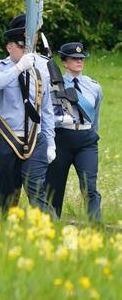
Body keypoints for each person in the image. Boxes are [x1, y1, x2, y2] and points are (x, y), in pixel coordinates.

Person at [0, 22, 55, 214]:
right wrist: (17, 69)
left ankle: (49, 230)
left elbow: (46, 108)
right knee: (7, 191)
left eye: (28, 47)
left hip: (35, 137)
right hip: (6, 137)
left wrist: (50, 142)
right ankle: (3, 229)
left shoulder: (40, 69)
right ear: (10, 47)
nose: (25, 51)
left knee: (36, 188)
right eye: (21, 46)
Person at [46, 41, 102, 222]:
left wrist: (92, 135)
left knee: (90, 187)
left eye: (81, 58)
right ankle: (50, 224)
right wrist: (59, 121)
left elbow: (95, 117)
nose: (79, 61)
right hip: (62, 137)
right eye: (74, 58)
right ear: (64, 62)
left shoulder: (93, 86)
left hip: (86, 139)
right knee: (54, 187)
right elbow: (46, 115)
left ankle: (95, 225)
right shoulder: (54, 85)